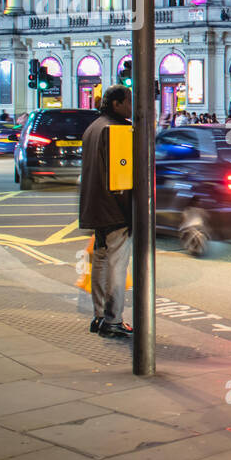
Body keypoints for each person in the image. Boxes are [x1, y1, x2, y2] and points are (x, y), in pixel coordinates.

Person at [79, 85, 134, 339]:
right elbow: (121, 179)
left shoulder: (93, 127)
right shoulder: (118, 130)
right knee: (116, 266)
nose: (131, 107)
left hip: (95, 207)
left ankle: (99, 316)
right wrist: (131, 214)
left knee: (100, 262)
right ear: (116, 104)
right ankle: (113, 320)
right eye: (128, 101)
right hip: (114, 210)